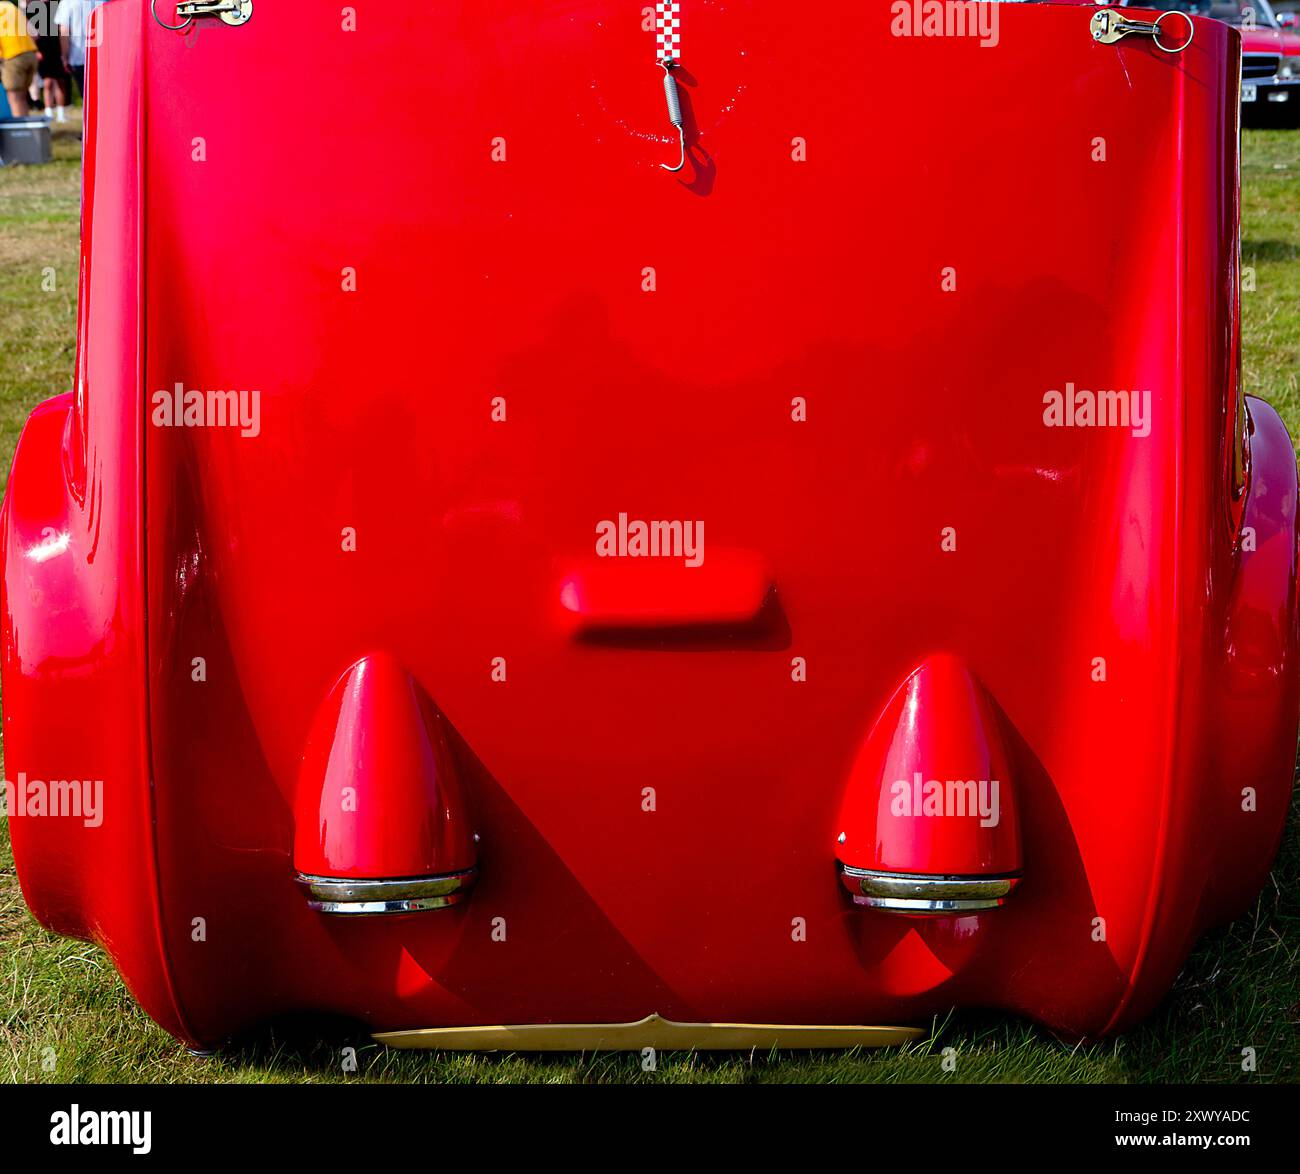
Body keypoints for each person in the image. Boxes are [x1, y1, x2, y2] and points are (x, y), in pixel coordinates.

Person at [53, 0, 101, 105]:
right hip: (100, 56)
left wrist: (65, 57)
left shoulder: (67, 2)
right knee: (101, 95)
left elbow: (64, 31)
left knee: (87, 96)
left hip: (78, 56)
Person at [28, 1, 67, 121]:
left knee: (61, 81)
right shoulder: (33, 9)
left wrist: (65, 51)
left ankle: (61, 112)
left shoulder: (58, 6)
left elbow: (63, 28)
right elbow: (29, 30)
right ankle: (48, 111)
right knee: (47, 82)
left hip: (58, 48)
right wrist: (36, 50)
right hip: (43, 50)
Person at [0, 0, 38, 118]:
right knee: (21, 96)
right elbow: (34, 34)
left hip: (13, 56)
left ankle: (20, 132)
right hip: (31, 54)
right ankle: (26, 128)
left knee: (14, 97)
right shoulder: (11, 6)